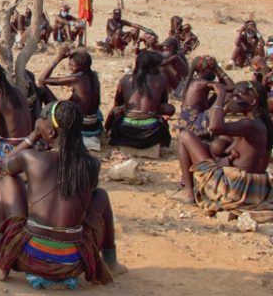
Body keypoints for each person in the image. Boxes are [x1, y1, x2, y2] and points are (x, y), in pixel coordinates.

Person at [0, 101, 126, 289]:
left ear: (49, 132)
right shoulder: (92, 164)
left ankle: (1, 251)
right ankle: (111, 261)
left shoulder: (32, 158)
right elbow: (88, 196)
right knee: (101, 196)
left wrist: (32, 136)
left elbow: (5, 165)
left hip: (31, 256)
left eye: (42, 121)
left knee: (9, 181)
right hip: (73, 262)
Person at [175, 81, 273, 212]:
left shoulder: (248, 124)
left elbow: (215, 127)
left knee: (184, 135)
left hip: (235, 186)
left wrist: (220, 95)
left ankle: (188, 192)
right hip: (254, 187)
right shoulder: (261, 123)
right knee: (207, 146)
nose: (232, 100)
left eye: (237, 97)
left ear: (252, 102)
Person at [172, 55, 236, 194]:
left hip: (191, 120)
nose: (212, 72)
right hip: (194, 123)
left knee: (224, 97)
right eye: (210, 69)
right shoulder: (201, 83)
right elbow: (230, 87)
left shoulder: (198, 81)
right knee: (226, 96)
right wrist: (219, 69)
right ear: (203, 71)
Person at [104, 50, 174, 150]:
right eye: (158, 66)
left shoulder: (125, 79)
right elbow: (163, 104)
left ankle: (107, 134)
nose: (160, 68)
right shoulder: (160, 79)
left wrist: (107, 129)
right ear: (151, 66)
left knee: (118, 111)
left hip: (125, 131)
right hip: (152, 133)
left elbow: (116, 105)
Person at [38, 47, 102, 148]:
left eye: (72, 65)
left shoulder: (76, 79)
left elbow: (42, 79)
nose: (69, 67)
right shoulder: (94, 75)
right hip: (94, 126)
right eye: (69, 64)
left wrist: (58, 58)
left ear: (81, 66)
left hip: (80, 126)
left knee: (42, 88)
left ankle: (41, 125)